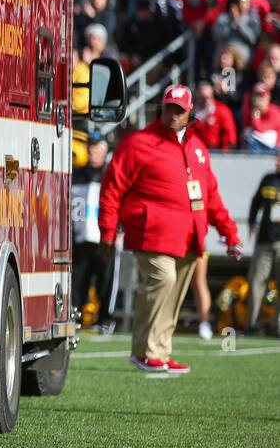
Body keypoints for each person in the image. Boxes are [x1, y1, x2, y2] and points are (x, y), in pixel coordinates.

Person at [99, 84, 242, 374]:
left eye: (179, 110)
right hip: (150, 232)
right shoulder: (138, 143)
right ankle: (148, 350)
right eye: (169, 108)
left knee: (175, 292)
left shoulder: (198, 148)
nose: (173, 114)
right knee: (162, 279)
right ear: (160, 108)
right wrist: (107, 231)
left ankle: (159, 351)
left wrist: (229, 233)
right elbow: (112, 188)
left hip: (188, 237)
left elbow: (210, 195)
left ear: (190, 112)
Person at [72, 134, 117, 333]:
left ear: (105, 149)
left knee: (105, 280)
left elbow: (118, 203)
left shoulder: (112, 174)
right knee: (78, 280)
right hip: (80, 237)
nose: (91, 151)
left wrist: (119, 230)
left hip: (104, 238)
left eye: (96, 147)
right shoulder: (77, 174)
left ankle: (105, 319)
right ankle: (76, 316)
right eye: (90, 146)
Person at [245, 152, 280, 336]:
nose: (277, 161)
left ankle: (278, 325)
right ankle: (252, 324)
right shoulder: (268, 179)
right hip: (264, 240)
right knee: (256, 281)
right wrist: (251, 222)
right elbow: (255, 202)